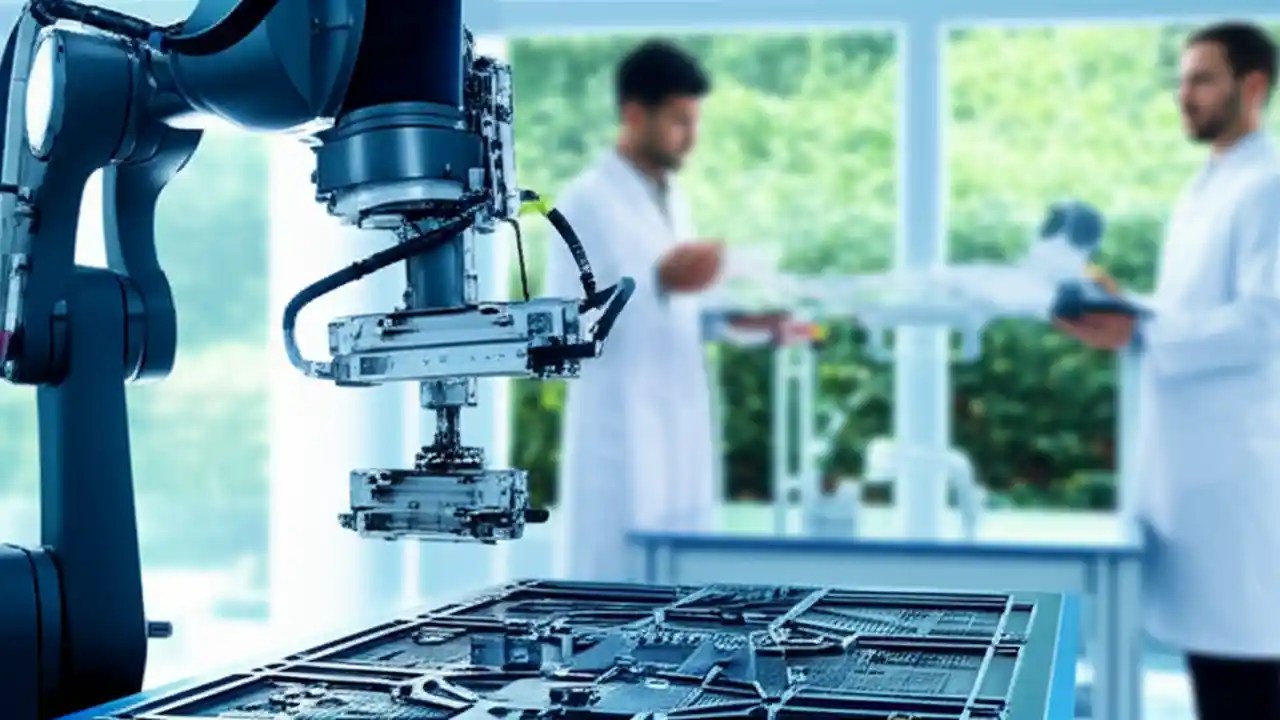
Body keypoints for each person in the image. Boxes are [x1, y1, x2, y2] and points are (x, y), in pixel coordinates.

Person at [1057, 22, 1280, 718]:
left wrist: (1144, 329)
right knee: (1215, 678)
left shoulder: (1269, 187)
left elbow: (1265, 322)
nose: (1184, 95)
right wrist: (1125, 310)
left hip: (1239, 483)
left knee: (1246, 683)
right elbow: (1188, 315)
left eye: (1203, 79)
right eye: (1182, 80)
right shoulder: (1203, 189)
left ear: (1253, 87)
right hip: (1192, 480)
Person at [543, 40, 724, 582]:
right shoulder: (584, 202)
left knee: (682, 583)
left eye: (695, 121)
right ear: (634, 114)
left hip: (678, 423)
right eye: (679, 121)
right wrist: (659, 281)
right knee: (614, 584)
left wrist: (738, 321)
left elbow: (680, 313)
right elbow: (563, 322)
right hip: (620, 433)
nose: (691, 136)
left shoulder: (673, 199)